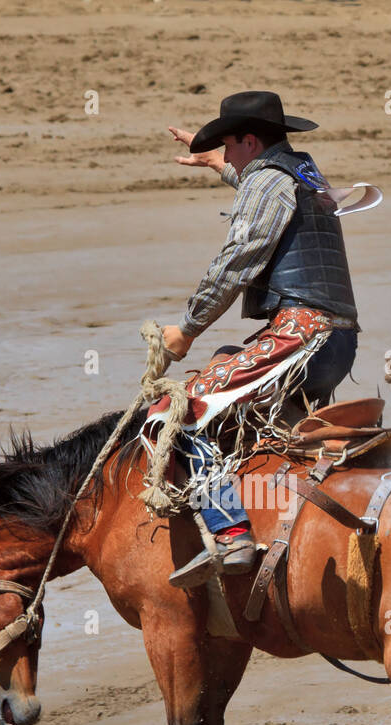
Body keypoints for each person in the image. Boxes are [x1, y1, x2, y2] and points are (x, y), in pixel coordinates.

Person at [151, 90, 360, 589]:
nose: (227, 156)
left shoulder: (266, 181)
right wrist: (221, 168)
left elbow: (238, 259)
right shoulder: (305, 172)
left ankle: (232, 534)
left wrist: (187, 329)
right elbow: (269, 191)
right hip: (338, 342)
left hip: (301, 338)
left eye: (229, 147)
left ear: (249, 140)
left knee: (181, 408)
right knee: (227, 361)